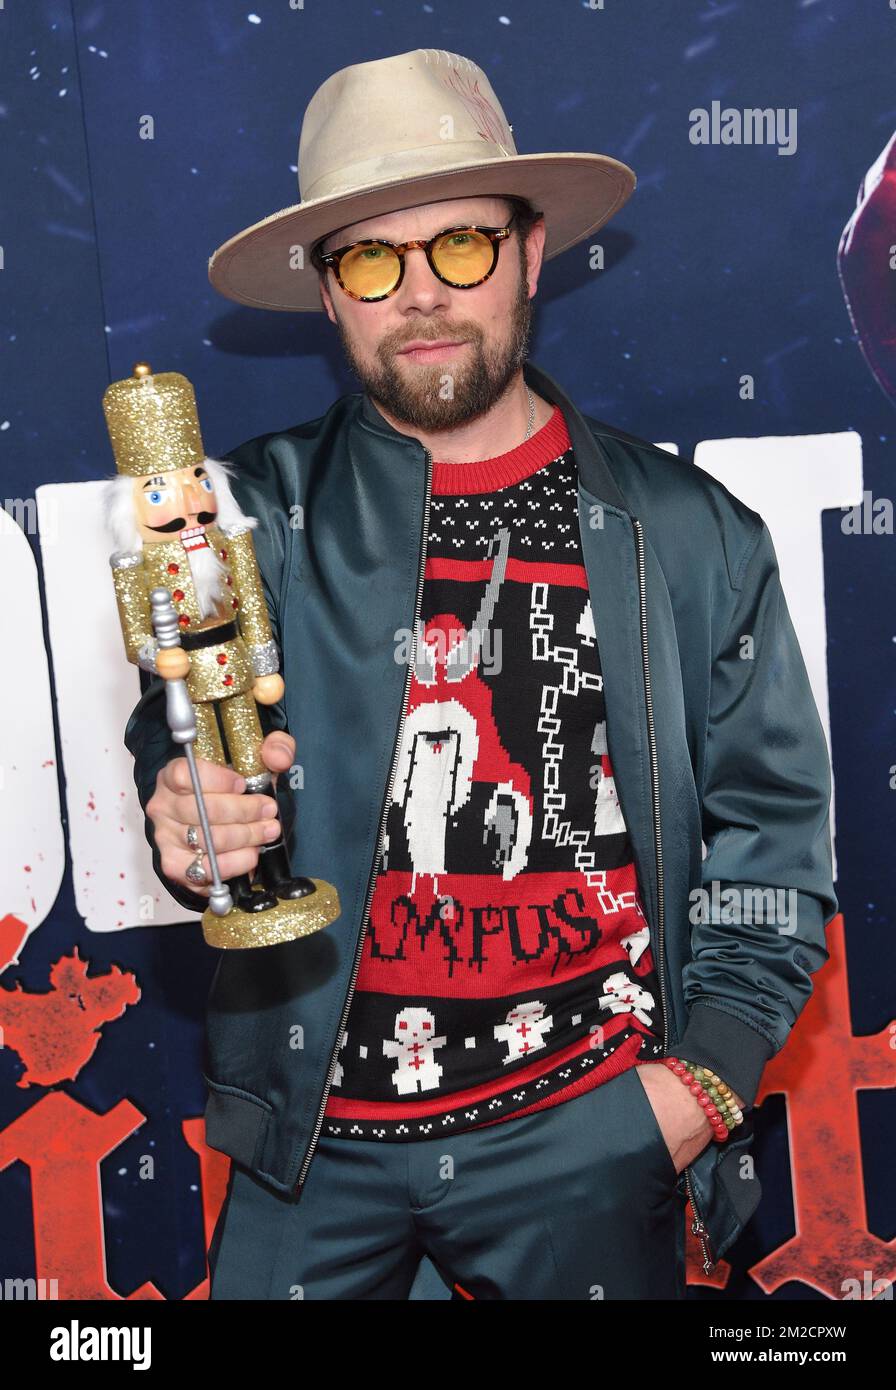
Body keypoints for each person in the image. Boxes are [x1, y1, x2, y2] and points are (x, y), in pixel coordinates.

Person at [125, 49, 838, 1299]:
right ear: (330, 293)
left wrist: (693, 1087)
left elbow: (773, 844)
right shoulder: (246, 518)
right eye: (371, 259)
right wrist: (190, 821)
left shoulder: (687, 532)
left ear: (528, 247)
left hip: (590, 1132)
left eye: (458, 245)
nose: (420, 296)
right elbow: (188, 739)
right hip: (316, 1149)